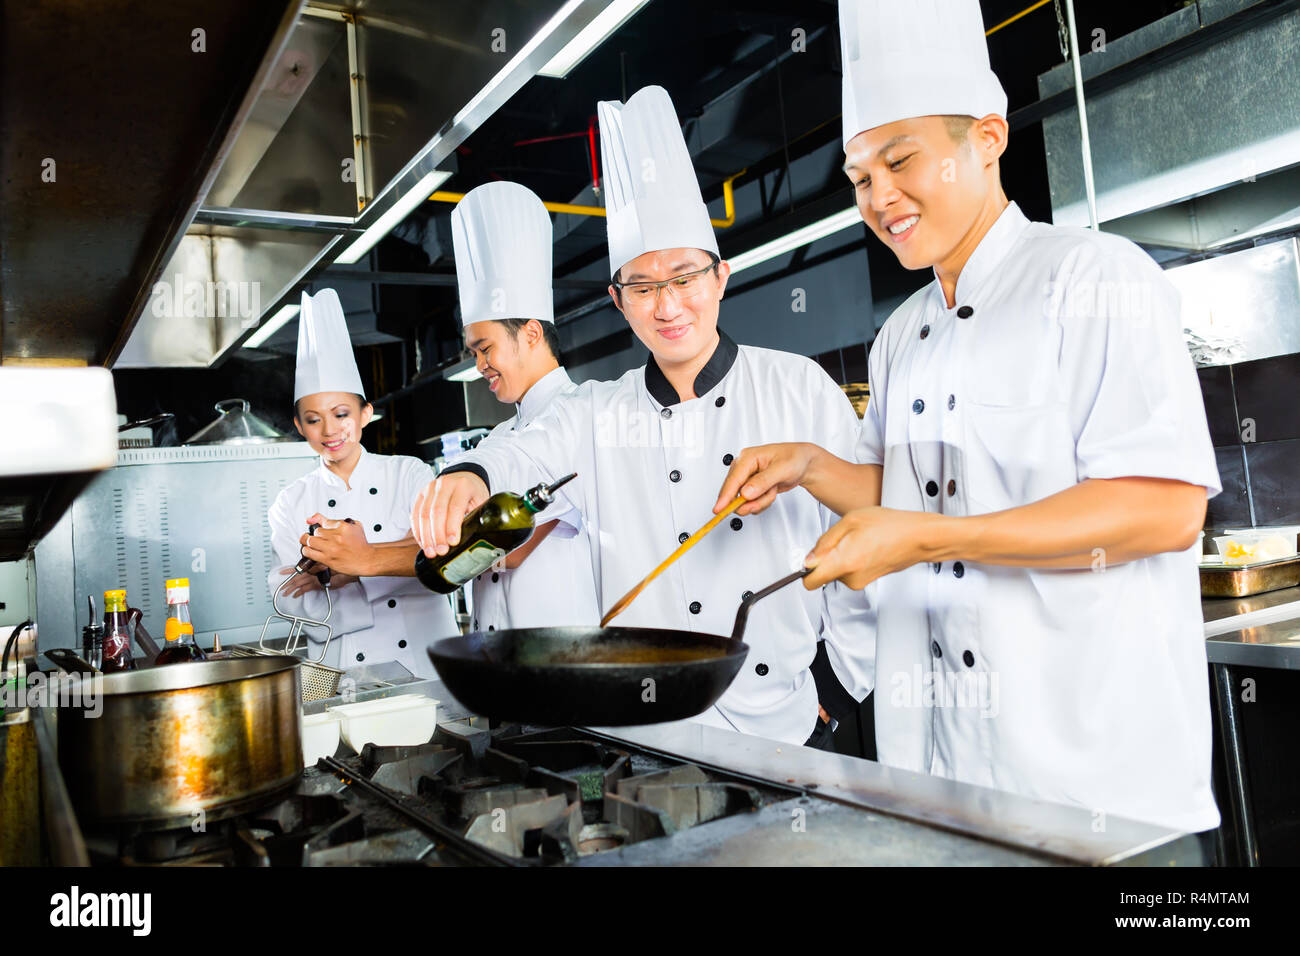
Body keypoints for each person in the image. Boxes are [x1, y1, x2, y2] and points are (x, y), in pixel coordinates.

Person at [714, 0, 1221, 834]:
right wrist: (810, 466)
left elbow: (1165, 509)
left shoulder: (1095, 280)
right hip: (942, 771)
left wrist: (930, 537)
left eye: (901, 159)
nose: (880, 197)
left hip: (1090, 778)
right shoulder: (902, 335)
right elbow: (902, 489)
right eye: (860, 178)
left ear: (987, 138)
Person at [412, 85, 874, 749]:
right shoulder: (595, 413)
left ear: (720, 276)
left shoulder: (796, 387)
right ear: (618, 300)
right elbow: (524, 454)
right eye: (644, 287)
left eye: (685, 277)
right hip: (645, 734)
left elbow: (863, 536)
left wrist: (834, 688)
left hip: (785, 723)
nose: (669, 305)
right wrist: (472, 474)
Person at [267, 288, 457, 678]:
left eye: (341, 414)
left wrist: (348, 572)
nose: (329, 429)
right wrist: (395, 564)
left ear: (366, 414)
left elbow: (441, 561)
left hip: (428, 664)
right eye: (314, 419)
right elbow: (286, 597)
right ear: (299, 426)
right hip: (338, 675)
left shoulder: (411, 474)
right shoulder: (291, 501)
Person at [450, 180, 600, 631]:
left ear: (532, 334)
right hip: (498, 664)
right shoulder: (499, 440)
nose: (479, 365)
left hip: (562, 666)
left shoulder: (583, 417)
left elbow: (503, 551)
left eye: (484, 348)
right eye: (473, 353)